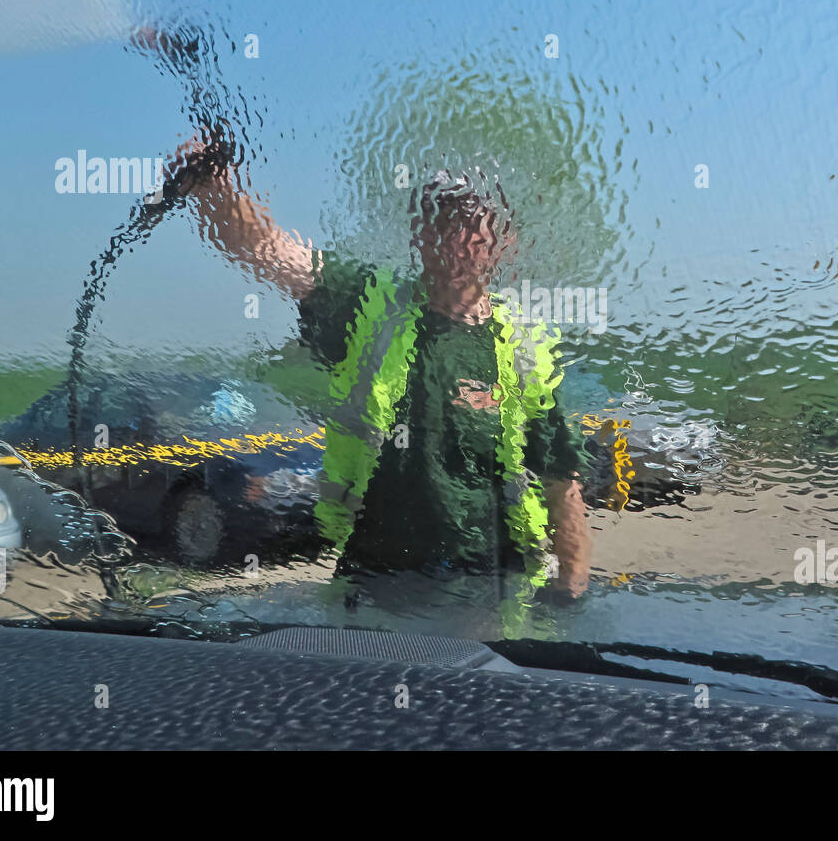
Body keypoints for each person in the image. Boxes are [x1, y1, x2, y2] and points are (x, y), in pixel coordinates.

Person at [165, 134, 594, 622]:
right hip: (376, 590)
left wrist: (570, 592)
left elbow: (563, 481)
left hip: (497, 596)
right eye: (445, 221)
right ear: (419, 232)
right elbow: (268, 250)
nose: (461, 239)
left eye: (477, 225)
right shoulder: (367, 304)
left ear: (503, 243)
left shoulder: (523, 345)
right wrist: (214, 184)